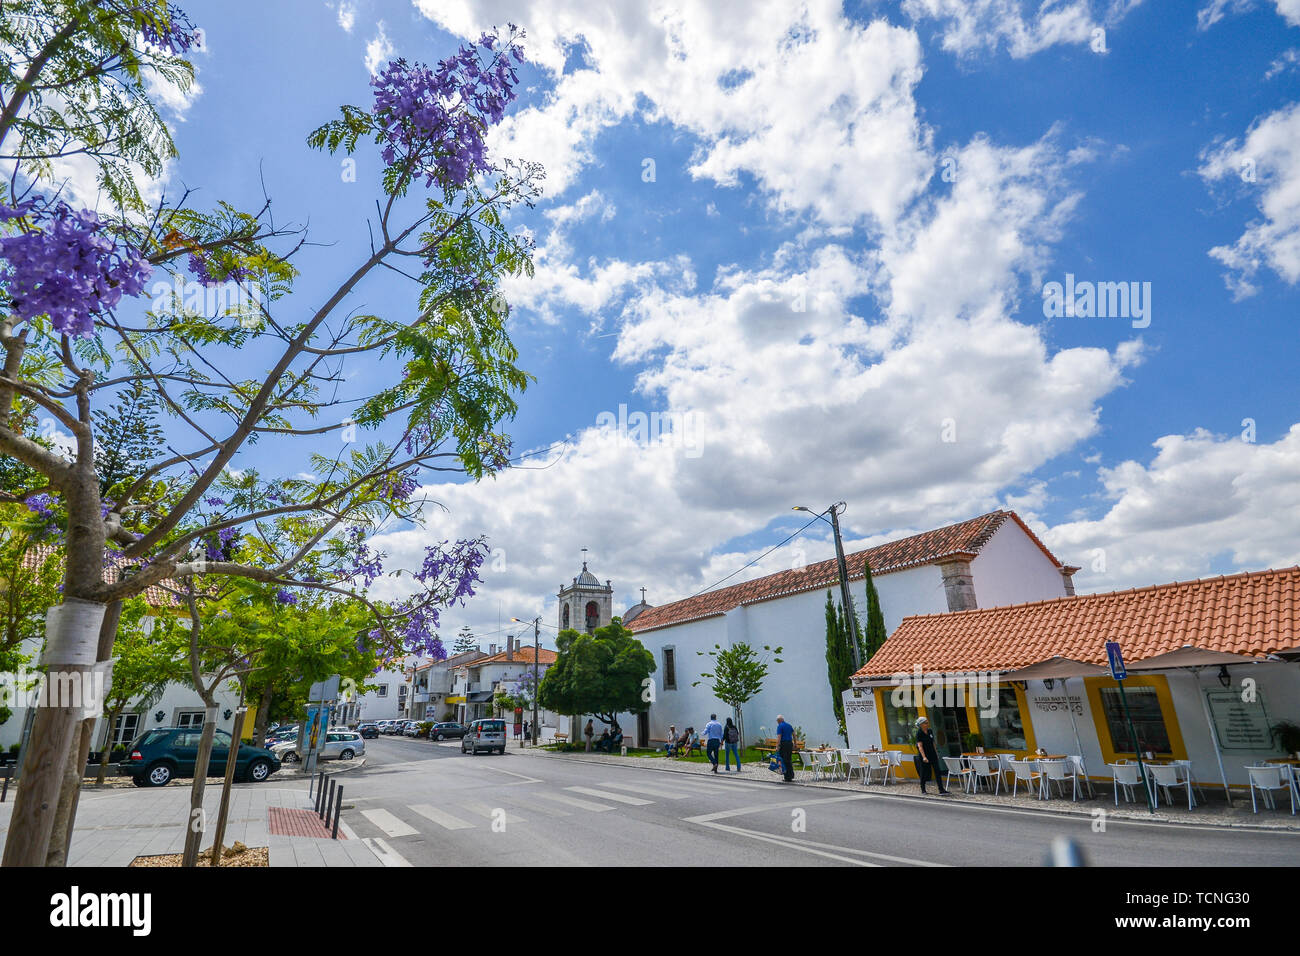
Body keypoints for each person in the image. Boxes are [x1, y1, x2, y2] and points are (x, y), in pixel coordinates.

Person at [914, 716, 949, 795]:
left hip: (932, 754)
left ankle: (941, 789)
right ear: (921, 724)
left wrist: (936, 753)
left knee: (937, 772)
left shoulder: (930, 731)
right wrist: (924, 757)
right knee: (924, 773)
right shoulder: (919, 733)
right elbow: (920, 746)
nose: (927, 724)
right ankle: (923, 789)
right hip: (925, 755)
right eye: (926, 723)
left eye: (927, 722)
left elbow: (933, 743)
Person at [776, 714, 795, 782]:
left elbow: (779, 737)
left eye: (777, 721)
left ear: (779, 720)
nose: (777, 722)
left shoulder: (780, 726)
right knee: (789, 759)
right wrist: (795, 743)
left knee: (784, 760)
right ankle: (791, 775)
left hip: (784, 744)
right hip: (789, 744)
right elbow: (794, 734)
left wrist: (777, 746)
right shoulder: (789, 725)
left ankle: (787, 777)